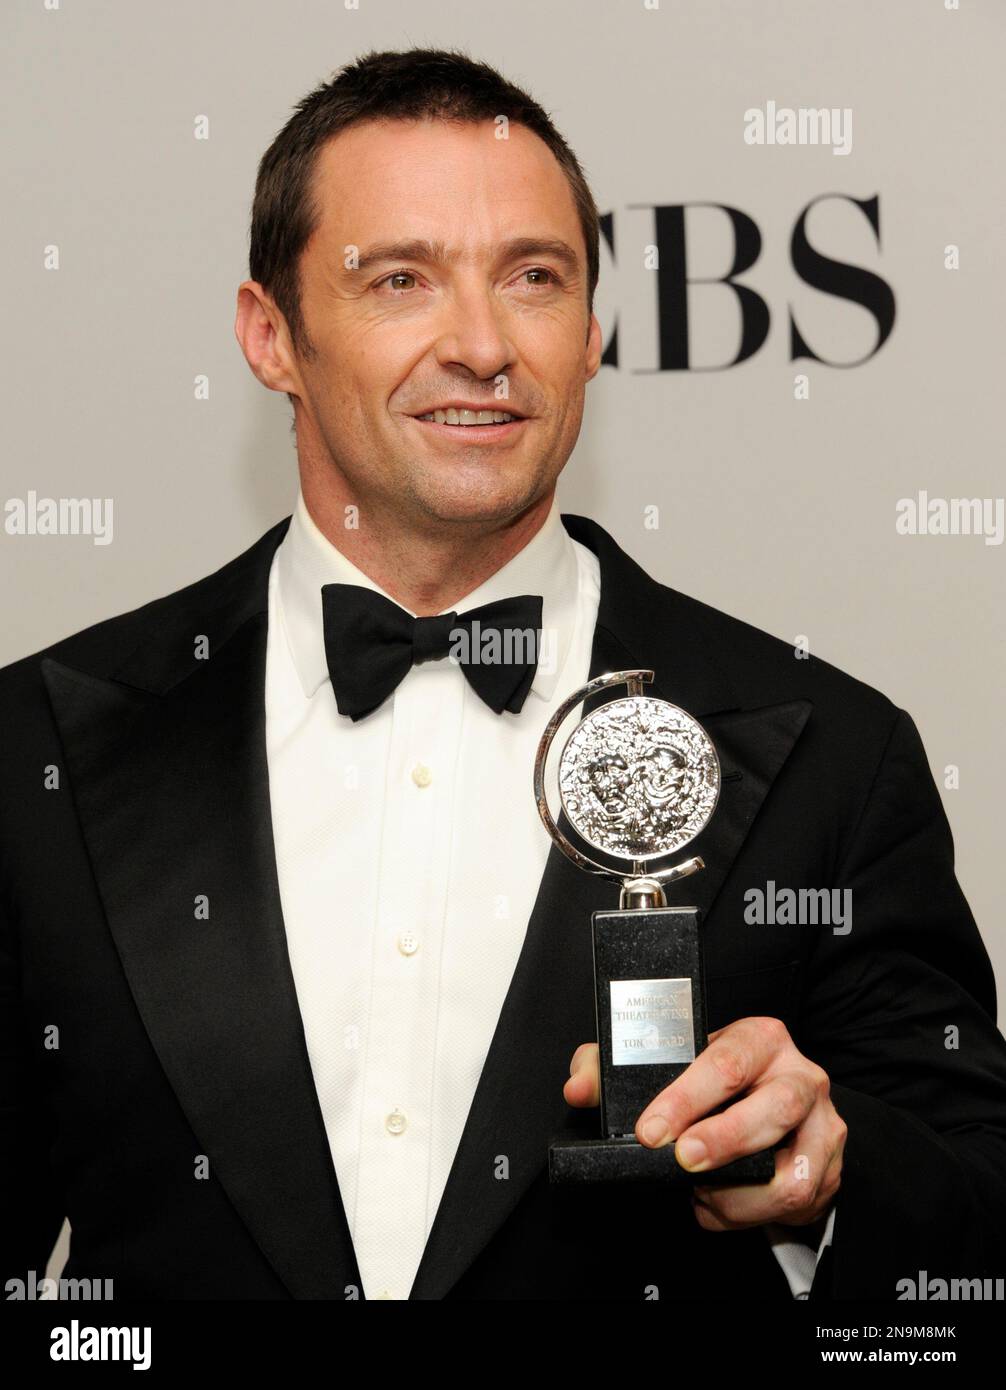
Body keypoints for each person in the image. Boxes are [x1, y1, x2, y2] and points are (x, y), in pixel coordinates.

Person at [3, 47, 1005, 1303]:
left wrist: (833, 1179)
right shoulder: (36, 748)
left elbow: (977, 1246)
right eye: (400, 279)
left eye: (533, 278)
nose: (481, 344)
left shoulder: (832, 755)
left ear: (589, 335)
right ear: (271, 335)